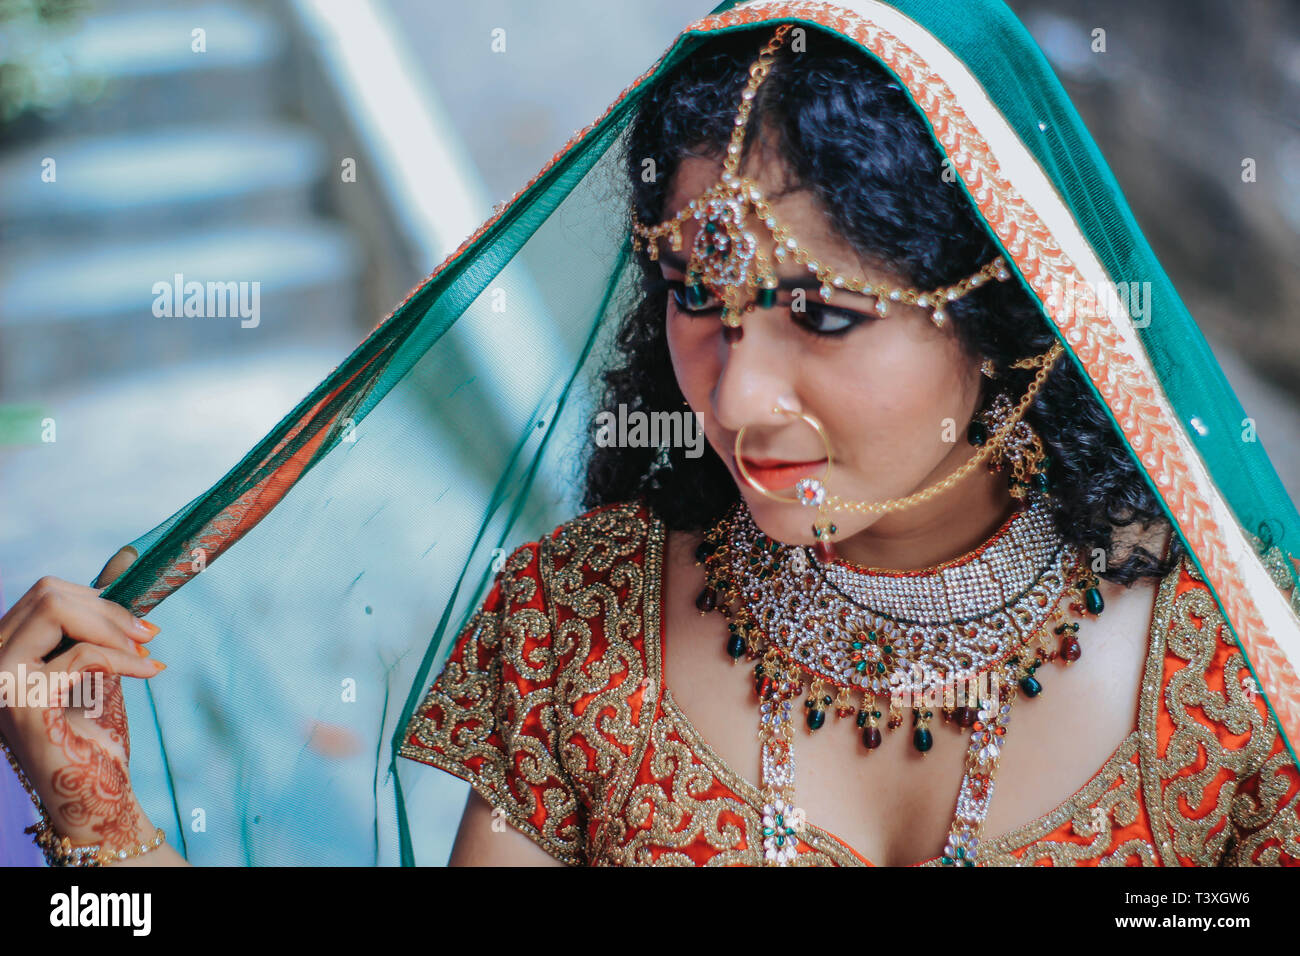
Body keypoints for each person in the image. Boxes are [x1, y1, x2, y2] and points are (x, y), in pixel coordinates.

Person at [1, 0, 1298, 867]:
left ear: (1015, 312)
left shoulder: (1239, 679)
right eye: (699, 299)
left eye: (821, 314)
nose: (733, 398)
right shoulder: (578, 625)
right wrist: (94, 825)